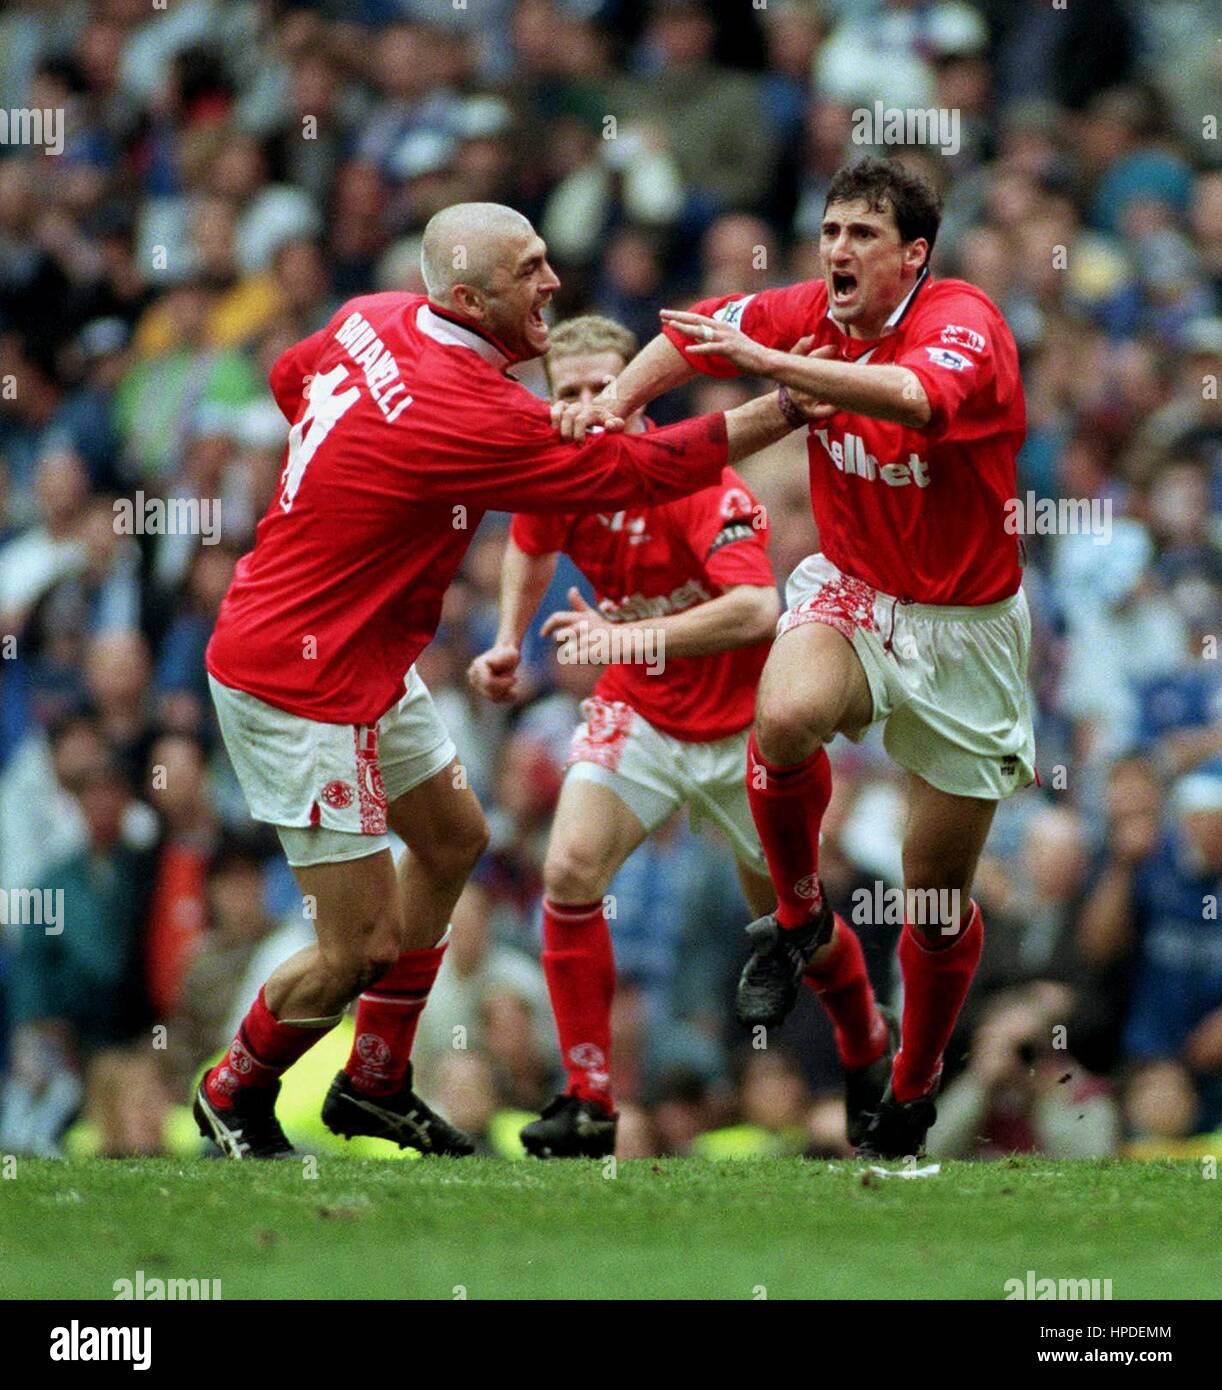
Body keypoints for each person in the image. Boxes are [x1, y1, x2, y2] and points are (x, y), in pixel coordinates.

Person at [195, 202, 824, 1158]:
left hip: (359, 652)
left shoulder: (377, 315)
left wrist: (347, 489)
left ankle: (373, 1083)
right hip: (294, 681)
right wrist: (781, 406)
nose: (554, 284)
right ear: (464, 296)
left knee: (455, 842)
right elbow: (641, 470)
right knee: (353, 952)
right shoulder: (464, 408)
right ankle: (233, 1091)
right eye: (528, 271)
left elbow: (294, 381)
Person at [555, 158, 1033, 1159]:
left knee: (934, 898)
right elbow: (689, 332)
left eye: (862, 235)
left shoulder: (963, 322)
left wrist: (778, 366)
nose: (837, 251)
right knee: (779, 719)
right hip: (854, 589)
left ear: (913, 254)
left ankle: (908, 1092)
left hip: (964, 630)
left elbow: (910, 399)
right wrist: (616, 407)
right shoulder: (806, 308)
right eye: (828, 231)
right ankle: (803, 921)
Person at [469, 313, 893, 1156]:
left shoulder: (696, 480)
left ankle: (866, 1048)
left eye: (603, 388)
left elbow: (755, 609)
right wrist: (509, 640)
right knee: (568, 871)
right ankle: (589, 1096)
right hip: (644, 715)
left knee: (793, 926)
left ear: (639, 396)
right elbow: (530, 538)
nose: (589, 404)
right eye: (571, 391)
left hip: (745, 734)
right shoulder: (560, 474)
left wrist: (631, 638)